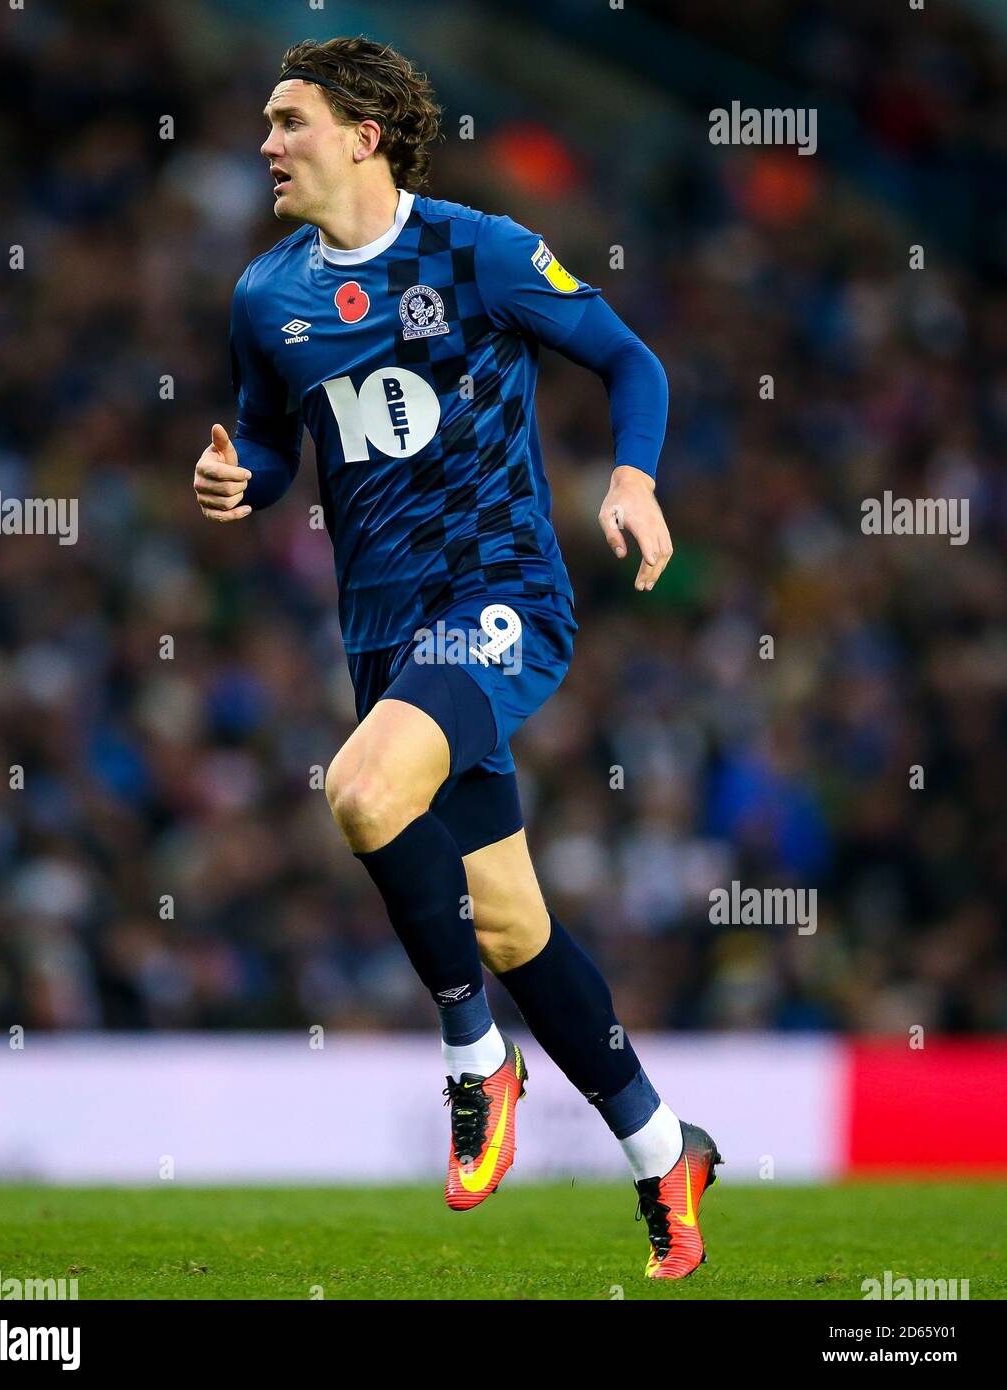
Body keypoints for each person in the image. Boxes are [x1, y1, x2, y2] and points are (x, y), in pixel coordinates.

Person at [193, 36, 720, 1279]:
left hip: (496, 601)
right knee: (507, 918)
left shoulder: (477, 251)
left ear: (364, 133)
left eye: (289, 120)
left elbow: (628, 358)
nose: (266, 143)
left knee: (361, 792)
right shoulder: (266, 296)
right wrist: (240, 477)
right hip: (379, 634)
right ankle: (662, 1152)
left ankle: (477, 1064)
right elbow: (276, 441)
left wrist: (633, 478)